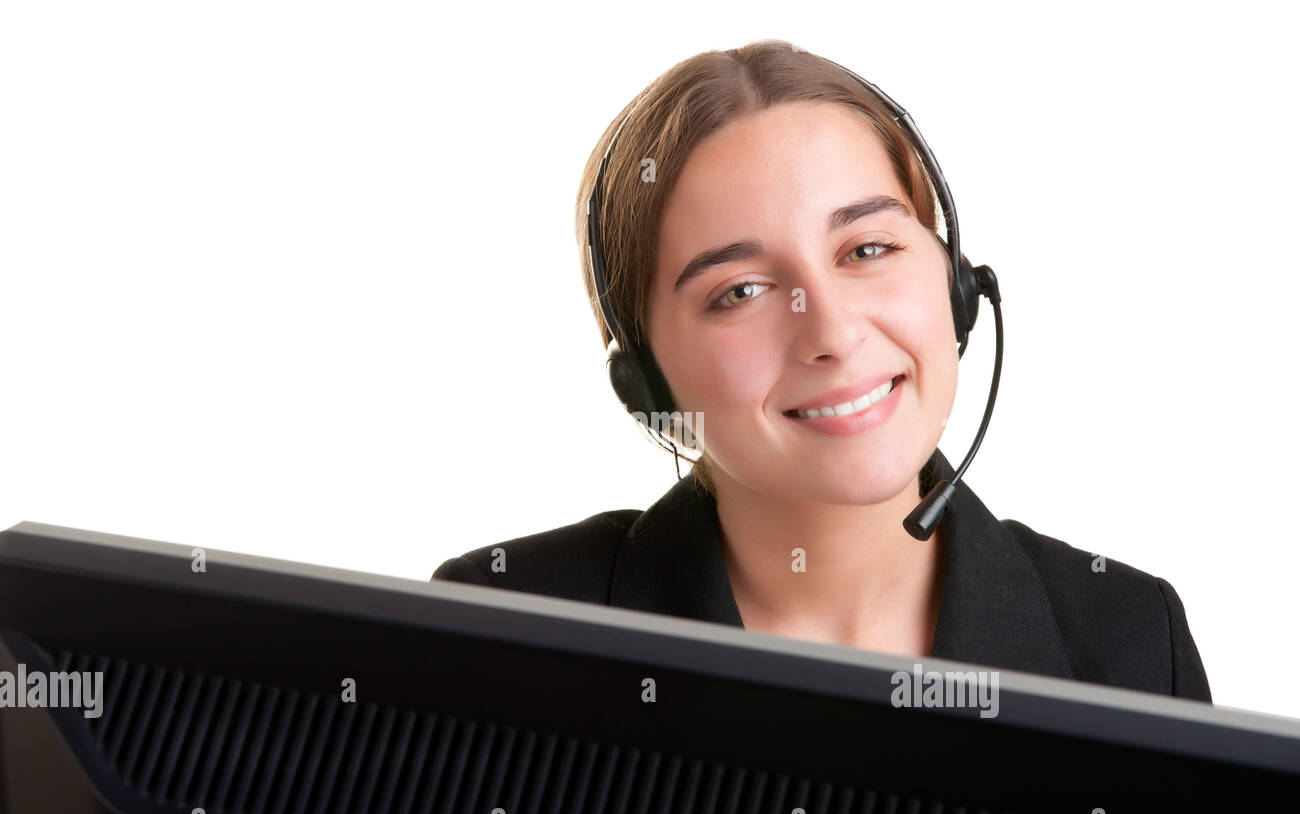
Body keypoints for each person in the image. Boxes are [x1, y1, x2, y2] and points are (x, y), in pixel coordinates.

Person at [432, 39, 1212, 703]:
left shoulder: (1132, 640)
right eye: (739, 292)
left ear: (957, 286)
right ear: (646, 384)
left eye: (867, 250)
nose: (832, 332)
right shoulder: (506, 629)